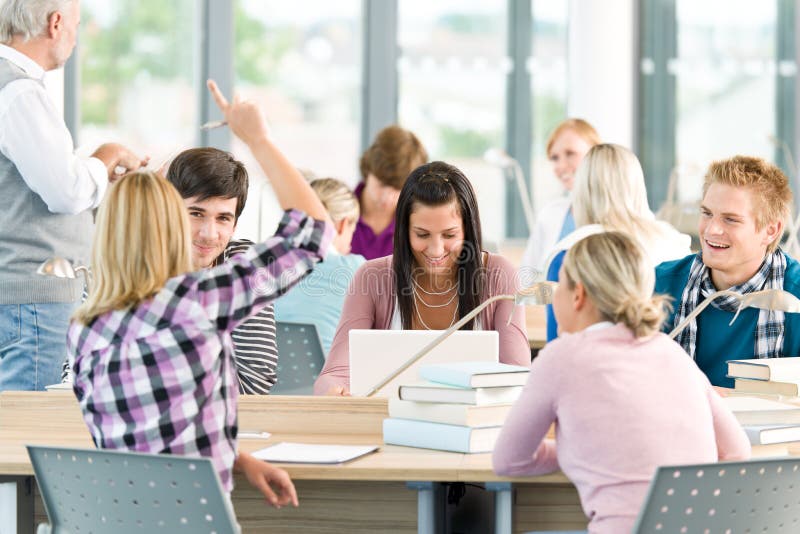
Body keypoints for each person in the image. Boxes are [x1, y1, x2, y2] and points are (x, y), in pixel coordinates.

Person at [67, 80, 333, 506]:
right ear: (169, 221)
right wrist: (257, 138)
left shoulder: (84, 328)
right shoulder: (201, 299)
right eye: (191, 214)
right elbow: (313, 235)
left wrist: (238, 458)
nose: (208, 233)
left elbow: (152, 434)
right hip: (195, 516)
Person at [493, 231, 751, 534]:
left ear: (578, 295)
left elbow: (509, 460)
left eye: (558, 284)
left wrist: (575, 449)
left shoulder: (560, 358)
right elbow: (737, 452)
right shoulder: (673, 352)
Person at [0, 0, 147, 391]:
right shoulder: (18, 91)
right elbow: (65, 192)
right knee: (25, 430)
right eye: (77, 25)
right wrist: (109, 154)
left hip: (14, 295)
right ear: (56, 23)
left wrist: (93, 173)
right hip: (31, 298)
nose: (76, 38)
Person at [314, 161, 530, 396]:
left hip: (472, 426)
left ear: (468, 229)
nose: (436, 250)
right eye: (422, 234)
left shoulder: (500, 275)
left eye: (449, 235)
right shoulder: (371, 277)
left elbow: (517, 375)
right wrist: (335, 390)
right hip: (388, 423)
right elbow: (334, 373)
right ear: (404, 230)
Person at [656, 155, 800, 387]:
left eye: (730, 220)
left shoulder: (794, 296)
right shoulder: (659, 285)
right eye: (707, 213)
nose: (712, 229)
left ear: (770, 231)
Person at [544, 143, 691, 340]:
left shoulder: (574, 252)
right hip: (668, 362)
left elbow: (558, 342)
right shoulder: (675, 243)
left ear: (581, 191)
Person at [166, 147, 279, 394]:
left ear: (235, 225)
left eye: (223, 219)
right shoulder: (129, 260)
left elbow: (254, 381)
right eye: (196, 214)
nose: (209, 233)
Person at [275, 178, 366, 355]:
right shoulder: (357, 268)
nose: (350, 244)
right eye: (352, 232)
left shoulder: (273, 261)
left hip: (270, 377)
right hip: (328, 379)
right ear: (342, 225)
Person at [520, 118, 600, 276]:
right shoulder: (550, 214)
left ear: (596, 153)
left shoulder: (621, 214)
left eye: (570, 154)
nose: (560, 166)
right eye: (554, 158)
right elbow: (528, 281)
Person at [350, 125, 428, 260]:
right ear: (368, 170)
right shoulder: (337, 213)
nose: (387, 197)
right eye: (382, 184)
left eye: (398, 189)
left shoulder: (417, 225)